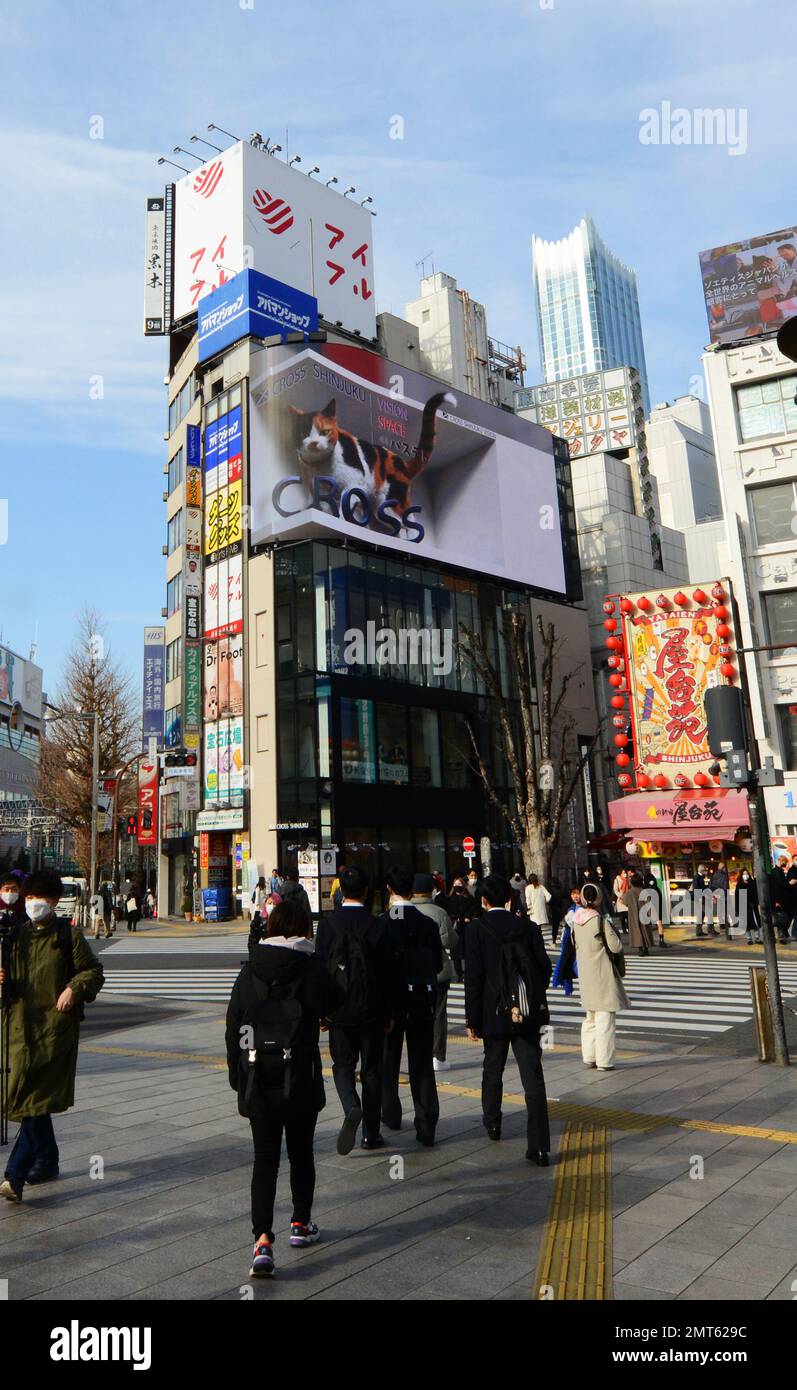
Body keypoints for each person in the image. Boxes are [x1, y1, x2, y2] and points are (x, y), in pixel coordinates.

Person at [225, 897, 342, 1279]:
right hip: (301, 1076)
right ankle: (300, 1223)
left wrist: (237, 1075)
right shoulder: (311, 968)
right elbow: (336, 1003)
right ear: (305, 929)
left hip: (259, 1078)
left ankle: (261, 1241)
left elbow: (235, 1029)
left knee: (264, 1158)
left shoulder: (250, 970)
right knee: (301, 1152)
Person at [0, 869, 104, 1201]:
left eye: (39, 898)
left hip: (55, 1033)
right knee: (32, 1100)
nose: (32, 904)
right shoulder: (16, 937)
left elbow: (93, 971)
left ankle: (13, 1175)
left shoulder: (67, 937)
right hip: (19, 1031)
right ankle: (47, 1159)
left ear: (55, 901)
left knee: (33, 1099)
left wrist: (75, 988)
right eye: (28, 897)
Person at [464, 873, 551, 1164]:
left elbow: (473, 979)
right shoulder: (527, 927)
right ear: (510, 898)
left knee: (493, 1068)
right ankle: (539, 1145)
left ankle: (492, 1122)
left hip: (493, 1011)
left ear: (484, 901)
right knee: (532, 1076)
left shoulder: (476, 930)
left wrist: (472, 1018)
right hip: (525, 1013)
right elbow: (544, 969)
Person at [315, 866, 397, 1153]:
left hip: (338, 1010)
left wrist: (322, 1012)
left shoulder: (327, 925)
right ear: (366, 891)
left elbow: (321, 970)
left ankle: (351, 1105)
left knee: (342, 1065)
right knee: (372, 1071)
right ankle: (370, 1134)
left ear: (340, 893)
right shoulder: (378, 925)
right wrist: (389, 1013)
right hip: (372, 1010)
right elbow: (388, 974)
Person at [380, 866, 442, 1146]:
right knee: (420, 1061)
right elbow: (437, 964)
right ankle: (426, 1121)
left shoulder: (383, 923)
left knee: (388, 1058)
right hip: (420, 998)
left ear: (390, 891)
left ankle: (391, 1112)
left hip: (390, 1002)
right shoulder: (426, 924)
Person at [571, 883, 629, 1071]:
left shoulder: (575, 920)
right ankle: (604, 1061)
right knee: (605, 1020)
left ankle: (589, 1056)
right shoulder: (599, 921)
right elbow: (616, 946)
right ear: (597, 899)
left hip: (586, 976)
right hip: (602, 975)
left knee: (590, 1018)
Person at [411, 873, 458, 1073]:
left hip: (411, 971)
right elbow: (449, 941)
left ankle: (418, 1053)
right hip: (437, 970)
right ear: (431, 890)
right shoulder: (439, 912)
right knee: (439, 1014)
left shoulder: (400, 912)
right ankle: (437, 1056)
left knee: (414, 1014)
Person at [551, 886, 582, 995]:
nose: (575, 896)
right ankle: (567, 986)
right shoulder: (571, 908)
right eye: (573, 894)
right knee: (567, 961)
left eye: (577, 893)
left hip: (580, 939)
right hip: (569, 938)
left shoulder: (584, 909)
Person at [624, 872, 655, 956]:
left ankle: (640, 948)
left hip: (633, 914)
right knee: (645, 929)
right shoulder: (644, 891)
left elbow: (625, 902)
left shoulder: (629, 892)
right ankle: (646, 948)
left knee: (636, 930)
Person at [641, 870, 667, 948]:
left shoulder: (644, 889)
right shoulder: (657, 889)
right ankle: (661, 940)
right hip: (657, 908)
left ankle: (647, 941)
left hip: (647, 909)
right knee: (659, 923)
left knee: (646, 925)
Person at [735, 869, 761, 945]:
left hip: (752, 906)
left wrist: (756, 903)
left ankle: (757, 938)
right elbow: (737, 898)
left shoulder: (752, 883)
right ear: (741, 875)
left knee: (756, 922)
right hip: (743, 907)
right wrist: (737, 910)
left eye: (747, 874)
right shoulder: (739, 885)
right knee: (746, 924)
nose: (745, 875)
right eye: (744, 874)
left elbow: (756, 894)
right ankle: (749, 939)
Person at [548, 877, 570, 947]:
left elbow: (550, 901)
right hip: (564, 910)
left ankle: (554, 941)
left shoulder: (552, 891)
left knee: (555, 927)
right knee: (567, 925)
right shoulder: (563, 890)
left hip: (556, 910)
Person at [692, 864, 713, 938]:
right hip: (700, 899)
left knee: (701, 914)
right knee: (707, 913)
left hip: (702, 898)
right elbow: (697, 888)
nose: (706, 872)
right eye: (705, 870)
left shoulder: (700, 877)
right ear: (702, 870)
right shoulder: (697, 877)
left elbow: (702, 887)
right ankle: (710, 930)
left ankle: (699, 931)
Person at [710, 861, 730, 936]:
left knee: (720, 910)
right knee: (723, 910)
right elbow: (724, 885)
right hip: (722, 894)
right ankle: (724, 924)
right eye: (724, 867)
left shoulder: (715, 874)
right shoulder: (723, 875)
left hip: (718, 894)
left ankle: (723, 924)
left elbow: (712, 885)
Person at [612, 867, 630, 934]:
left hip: (627, 899)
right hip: (620, 900)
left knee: (628, 916)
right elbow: (615, 890)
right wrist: (621, 896)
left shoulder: (628, 879)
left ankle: (629, 928)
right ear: (620, 873)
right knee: (622, 917)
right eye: (623, 873)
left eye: (625, 872)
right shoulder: (617, 880)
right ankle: (624, 929)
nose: (625, 874)